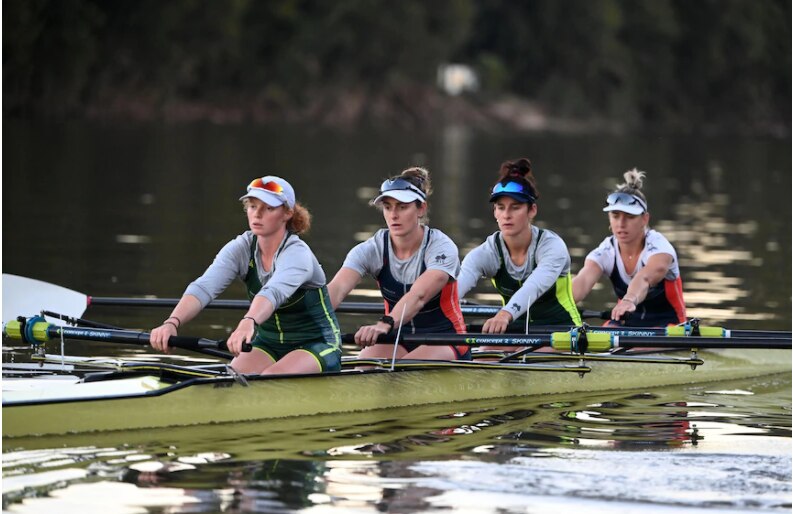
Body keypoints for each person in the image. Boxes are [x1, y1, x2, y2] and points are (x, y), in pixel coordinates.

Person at [149, 176, 342, 374]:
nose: (257, 214)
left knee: (270, 378)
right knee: (232, 378)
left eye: (268, 208)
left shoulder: (298, 254)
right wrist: (172, 322)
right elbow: (204, 287)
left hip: (317, 344)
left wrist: (247, 322)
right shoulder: (240, 248)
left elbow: (273, 292)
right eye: (252, 206)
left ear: (287, 213)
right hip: (267, 344)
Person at [327, 166, 468, 361]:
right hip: (397, 337)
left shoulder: (441, 247)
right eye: (388, 207)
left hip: (445, 338)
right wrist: (305, 323)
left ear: (421, 209)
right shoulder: (371, 249)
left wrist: (384, 324)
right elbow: (336, 289)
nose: (394, 215)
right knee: (364, 364)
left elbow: (418, 296)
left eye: (402, 207)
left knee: (407, 370)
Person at [457, 158, 582, 335]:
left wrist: (505, 313)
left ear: (532, 210)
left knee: (536, 360)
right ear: (495, 212)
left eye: (515, 208)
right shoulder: (485, 254)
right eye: (501, 207)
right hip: (516, 331)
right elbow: (455, 291)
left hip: (562, 331)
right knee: (483, 356)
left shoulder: (552, 247)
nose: (507, 215)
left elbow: (533, 286)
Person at [572, 168, 686, 327]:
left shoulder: (659, 247)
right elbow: (582, 282)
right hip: (626, 325)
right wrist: (547, 308)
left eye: (630, 217)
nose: (621, 224)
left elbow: (644, 278)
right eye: (615, 216)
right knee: (606, 329)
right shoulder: (606, 251)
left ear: (644, 219)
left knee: (619, 342)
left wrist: (628, 299)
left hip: (669, 326)